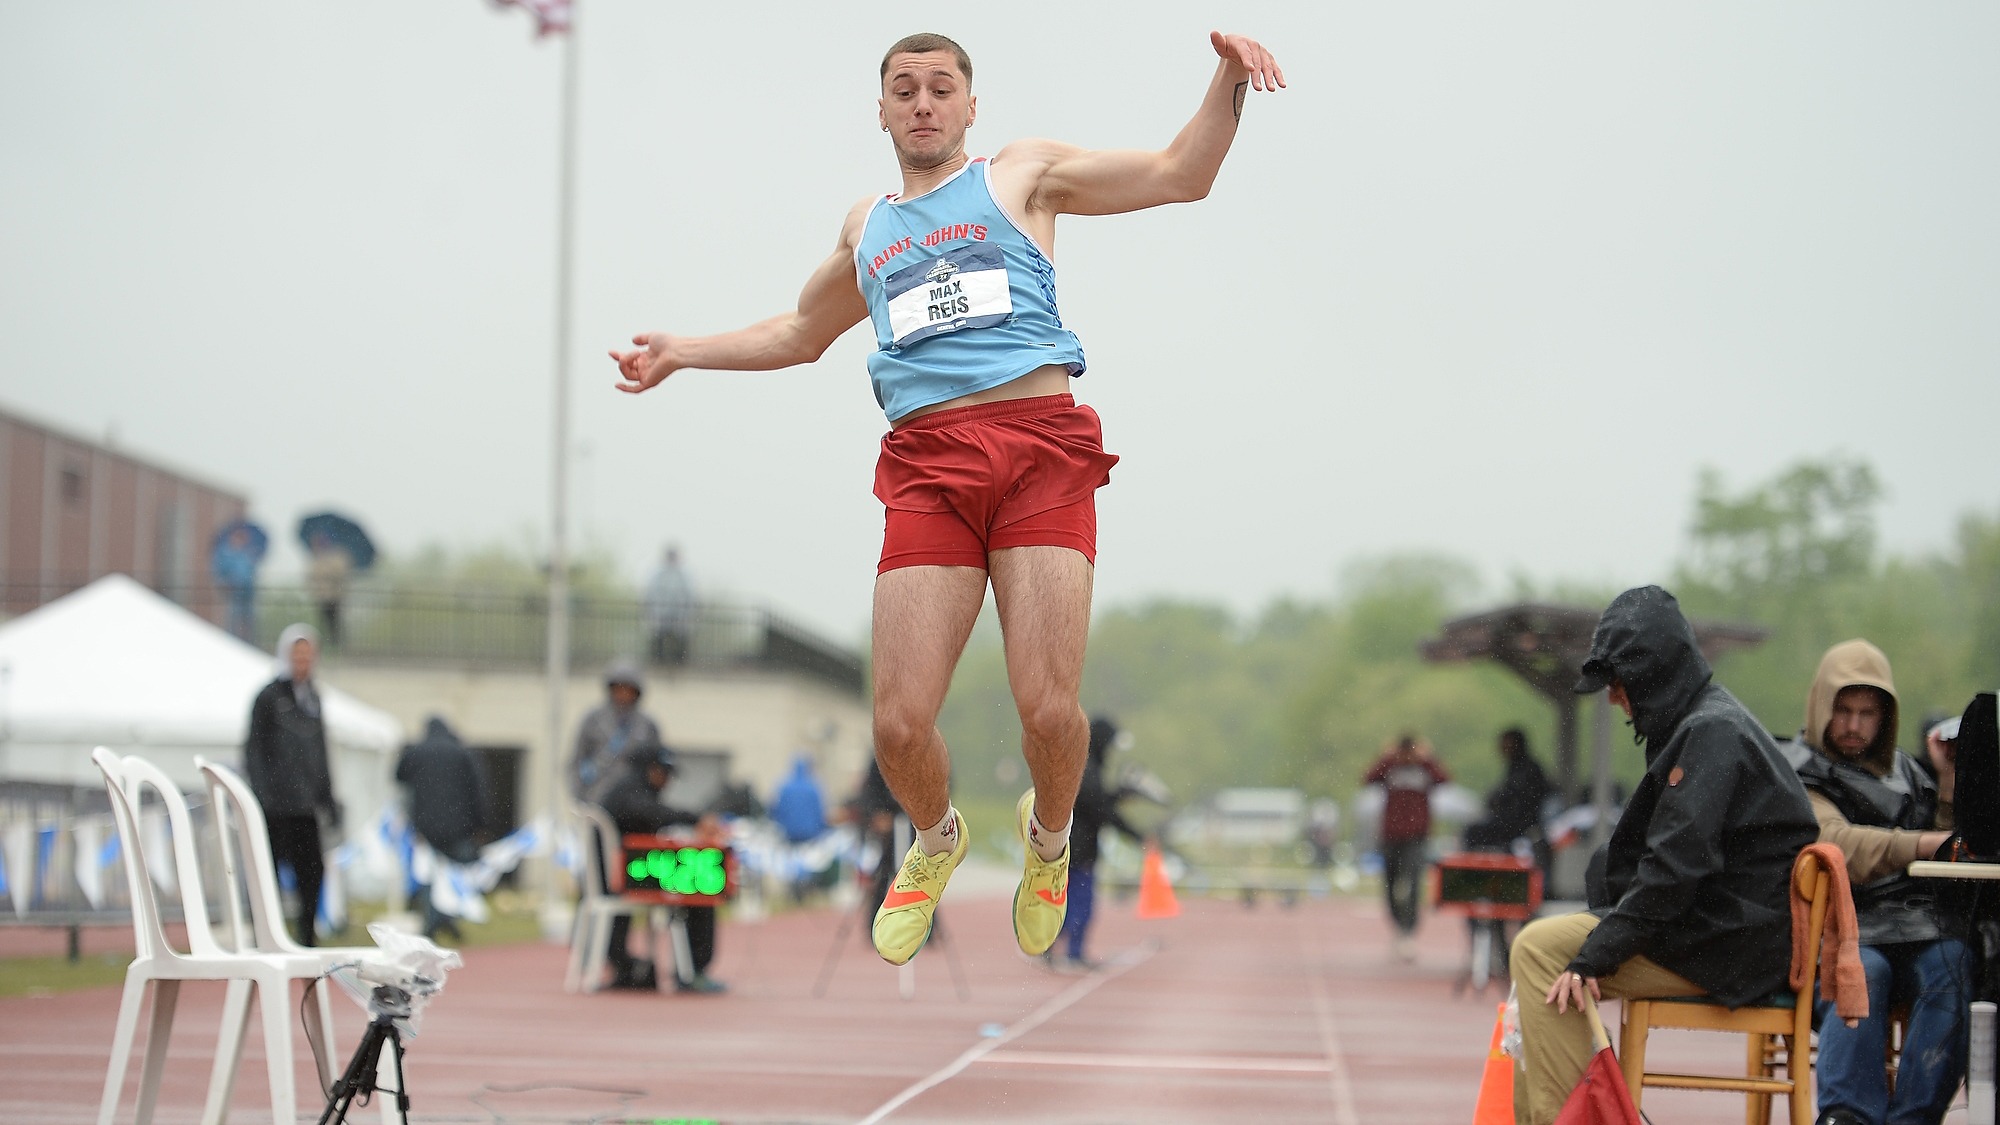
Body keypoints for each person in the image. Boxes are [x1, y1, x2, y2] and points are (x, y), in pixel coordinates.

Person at [610, 29, 1285, 967]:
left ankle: (1048, 843)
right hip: (929, 464)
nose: (922, 103)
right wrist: (683, 351)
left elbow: (1181, 171)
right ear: (882, 111)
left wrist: (1227, 80)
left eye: (940, 88)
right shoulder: (868, 225)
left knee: (1049, 710)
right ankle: (934, 840)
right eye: (904, 90)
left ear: (971, 107)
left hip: (1040, 450)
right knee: (896, 724)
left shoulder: (1022, 176)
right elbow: (802, 330)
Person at [1509, 586, 1819, 1125]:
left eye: (1619, 683)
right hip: (1722, 929)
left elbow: (1675, 871)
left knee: (1541, 951)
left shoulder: (1711, 732)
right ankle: (1578, 1112)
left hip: (1727, 944)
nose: (1612, 698)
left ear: (1652, 676)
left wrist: (1594, 956)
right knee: (1547, 956)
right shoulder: (1703, 723)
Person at [1780, 639, 1969, 1125]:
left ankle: (1914, 1117)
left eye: (1867, 712)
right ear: (1821, 704)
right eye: (1842, 710)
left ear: (1885, 715)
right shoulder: (1793, 770)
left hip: (1915, 925)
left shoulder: (1908, 771)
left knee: (1955, 965)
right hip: (1835, 929)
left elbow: (1953, 842)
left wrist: (1947, 775)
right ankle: (1849, 1116)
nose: (1853, 725)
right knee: (1862, 972)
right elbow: (1839, 845)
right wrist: (1922, 844)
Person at [595, 741, 727, 993]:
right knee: (703, 883)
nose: (667, 782)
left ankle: (675, 967)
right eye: (666, 774)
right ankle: (693, 970)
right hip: (625, 874)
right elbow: (651, 813)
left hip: (621, 872)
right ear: (653, 770)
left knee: (696, 878)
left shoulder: (624, 787)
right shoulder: (631, 790)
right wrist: (697, 818)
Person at [242, 623, 342, 947]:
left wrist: (327, 798)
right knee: (268, 873)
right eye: (297, 655)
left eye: (308, 655)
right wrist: (262, 793)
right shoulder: (269, 697)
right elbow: (254, 750)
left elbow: (321, 751)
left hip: (306, 806)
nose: (303, 661)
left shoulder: (314, 697)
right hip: (275, 806)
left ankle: (306, 937)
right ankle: (267, 936)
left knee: (312, 872)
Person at [1050, 716, 1147, 971]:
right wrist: (1137, 836)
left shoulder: (1081, 766)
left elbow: (1097, 802)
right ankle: (1067, 953)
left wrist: (1119, 795)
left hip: (1074, 847)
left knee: (1068, 902)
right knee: (1077, 904)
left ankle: (1057, 950)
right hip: (1078, 849)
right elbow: (1100, 809)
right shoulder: (1087, 769)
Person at [394, 715, 490, 942]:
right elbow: (479, 790)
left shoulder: (418, 752)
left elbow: (398, 775)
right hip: (459, 825)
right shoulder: (463, 752)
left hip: (425, 826)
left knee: (429, 875)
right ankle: (447, 918)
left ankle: (433, 921)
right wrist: (482, 824)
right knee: (457, 875)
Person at [1363, 734, 1450, 960]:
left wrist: (1428, 758)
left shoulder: (1425, 768)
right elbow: (1368, 778)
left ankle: (1409, 930)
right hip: (1391, 836)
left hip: (1416, 837)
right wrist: (1387, 757)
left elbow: (1445, 779)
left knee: (1412, 882)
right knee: (1390, 884)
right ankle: (1397, 925)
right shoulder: (1390, 766)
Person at [569, 661, 664, 803]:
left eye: (628, 689)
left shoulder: (647, 726)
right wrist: (579, 795)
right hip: (597, 796)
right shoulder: (593, 720)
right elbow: (577, 760)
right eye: (619, 688)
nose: (623, 694)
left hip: (633, 801)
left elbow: (656, 769)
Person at [1460, 727, 1552, 851]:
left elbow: (1517, 797)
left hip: (1521, 824)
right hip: (1512, 821)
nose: (1503, 749)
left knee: (1473, 832)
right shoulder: (1515, 767)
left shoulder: (1528, 768)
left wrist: (1498, 801)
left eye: (1507, 744)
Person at [643, 545, 697, 666]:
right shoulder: (658, 574)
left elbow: (689, 595)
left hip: (679, 615)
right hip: (662, 614)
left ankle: (680, 664)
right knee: (658, 639)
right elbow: (651, 594)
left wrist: (687, 614)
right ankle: (658, 663)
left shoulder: (684, 575)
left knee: (681, 640)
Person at [211, 525, 261, 643]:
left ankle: (250, 641)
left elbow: (251, 571)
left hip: (248, 590)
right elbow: (218, 571)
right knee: (233, 617)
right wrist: (224, 582)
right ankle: (231, 640)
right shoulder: (224, 553)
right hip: (234, 590)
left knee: (250, 618)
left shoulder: (246, 553)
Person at [306, 535, 352, 649]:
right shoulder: (317, 560)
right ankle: (324, 645)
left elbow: (341, 574)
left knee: (335, 622)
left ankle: (336, 645)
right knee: (323, 622)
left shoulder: (337, 557)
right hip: (322, 596)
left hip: (335, 596)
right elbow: (312, 577)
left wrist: (330, 574)